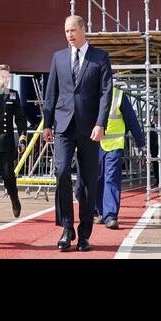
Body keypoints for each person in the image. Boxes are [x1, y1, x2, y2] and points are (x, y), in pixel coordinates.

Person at [43, 15, 112, 252]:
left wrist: (101, 123)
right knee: (61, 172)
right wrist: (47, 124)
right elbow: (51, 93)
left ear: (83, 30)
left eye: (73, 30)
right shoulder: (58, 58)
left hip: (89, 128)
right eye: (66, 31)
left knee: (86, 181)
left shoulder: (100, 57)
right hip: (63, 126)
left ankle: (84, 234)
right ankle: (66, 228)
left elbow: (106, 93)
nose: (69, 34)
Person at [96, 85, 146, 229]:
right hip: (94, 144)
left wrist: (140, 142)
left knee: (111, 178)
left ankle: (110, 215)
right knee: (96, 179)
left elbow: (131, 120)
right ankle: (100, 211)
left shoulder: (119, 96)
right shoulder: (90, 91)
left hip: (114, 144)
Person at [0, 64, 28, 219]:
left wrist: (22, 138)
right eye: (3, 76)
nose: (6, 80)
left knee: (8, 176)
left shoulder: (13, 94)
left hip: (5, 143)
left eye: (8, 77)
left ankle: (14, 200)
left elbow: (20, 118)